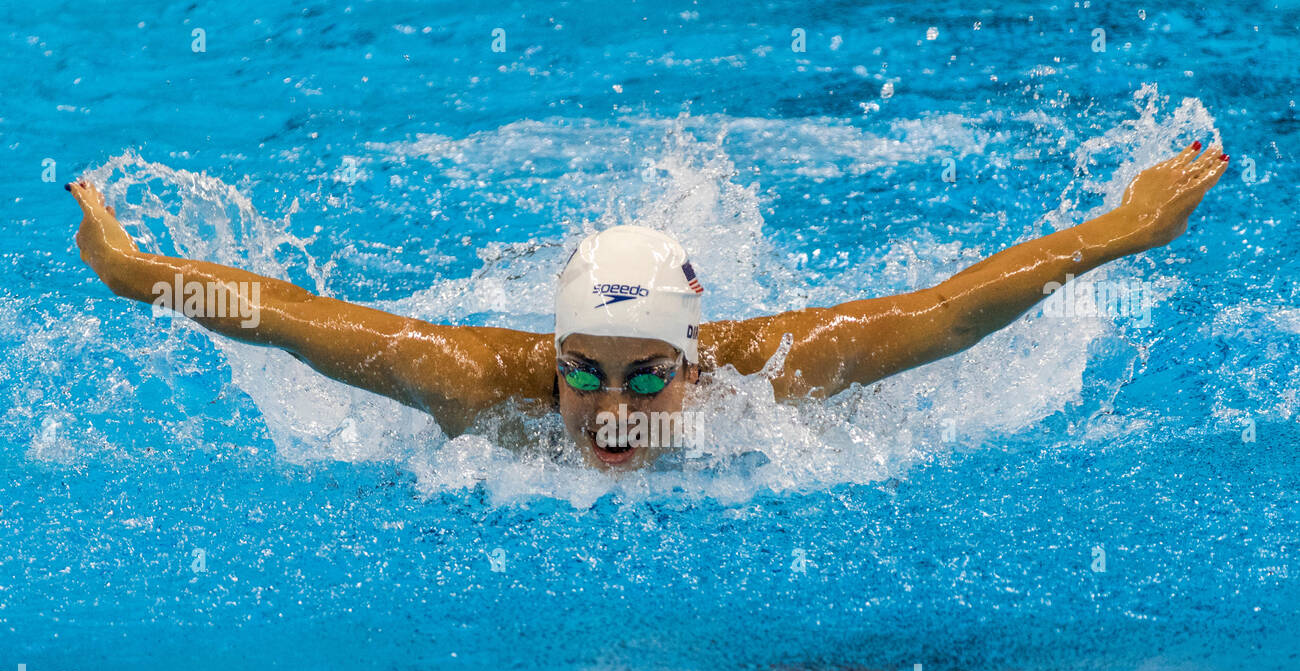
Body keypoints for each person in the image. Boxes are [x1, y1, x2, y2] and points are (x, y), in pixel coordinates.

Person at [69, 141, 1227, 470]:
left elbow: (948, 312)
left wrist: (1121, 232)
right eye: (584, 371)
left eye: (643, 376)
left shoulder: (762, 370)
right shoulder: (470, 378)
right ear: (555, 351)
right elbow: (277, 310)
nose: (609, 410)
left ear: (689, 362)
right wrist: (131, 274)